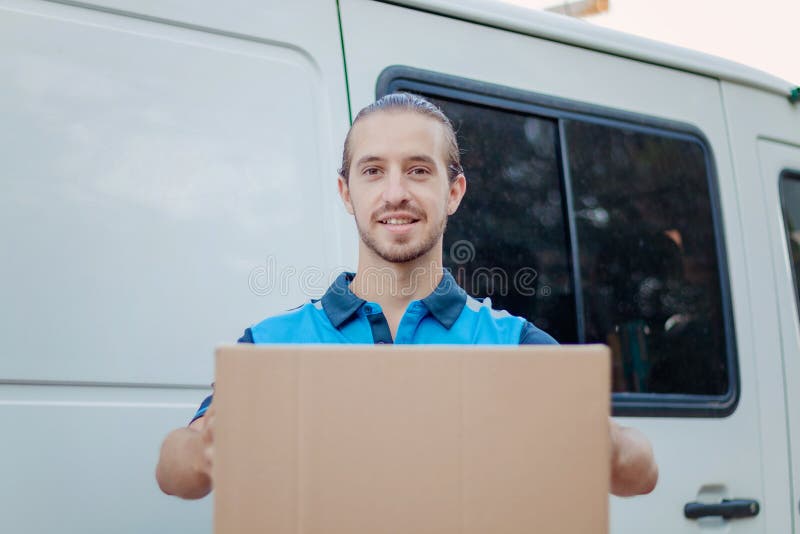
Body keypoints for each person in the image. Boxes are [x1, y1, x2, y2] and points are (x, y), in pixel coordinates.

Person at [155, 93, 658, 500]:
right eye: (373, 171)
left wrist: (607, 447)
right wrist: (199, 451)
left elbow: (640, 473)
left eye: (418, 170)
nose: (395, 193)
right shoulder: (271, 345)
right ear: (346, 192)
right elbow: (178, 474)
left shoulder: (516, 346)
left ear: (454, 191)